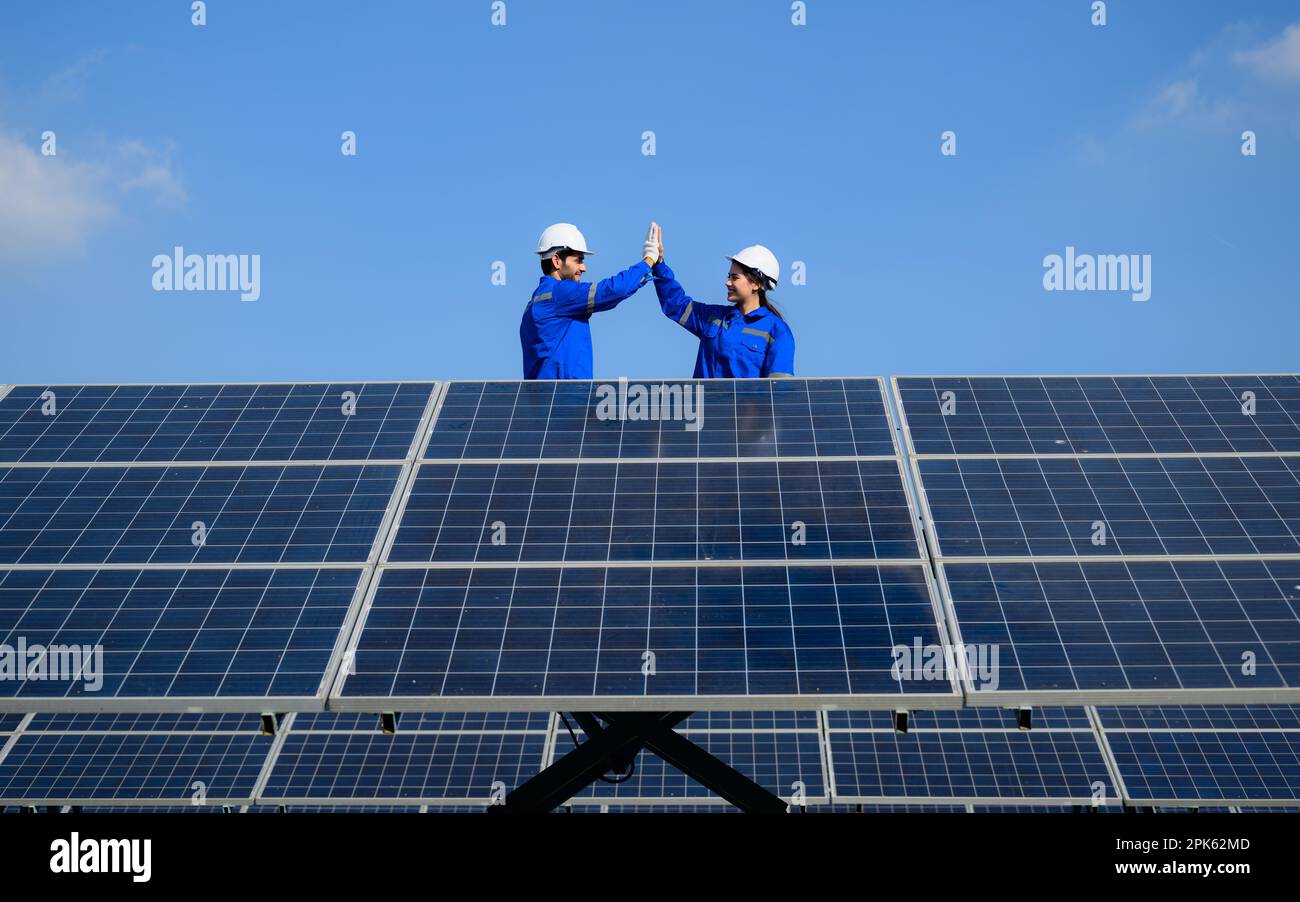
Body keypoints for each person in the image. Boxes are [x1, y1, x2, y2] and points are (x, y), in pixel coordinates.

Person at [520, 222, 661, 379]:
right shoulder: (560, 294)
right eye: (578, 260)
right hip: (567, 398)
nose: (583, 267)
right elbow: (612, 290)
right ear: (557, 261)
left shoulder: (535, 302)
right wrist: (648, 261)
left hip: (542, 399)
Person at [651, 229, 794, 378]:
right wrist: (659, 264)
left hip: (745, 402)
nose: (727, 282)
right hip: (705, 402)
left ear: (756, 284)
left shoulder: (777, 331)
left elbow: (779, 391)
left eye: (735, 277)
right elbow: (676, 305)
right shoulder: (713, 318)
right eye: (728, 276)